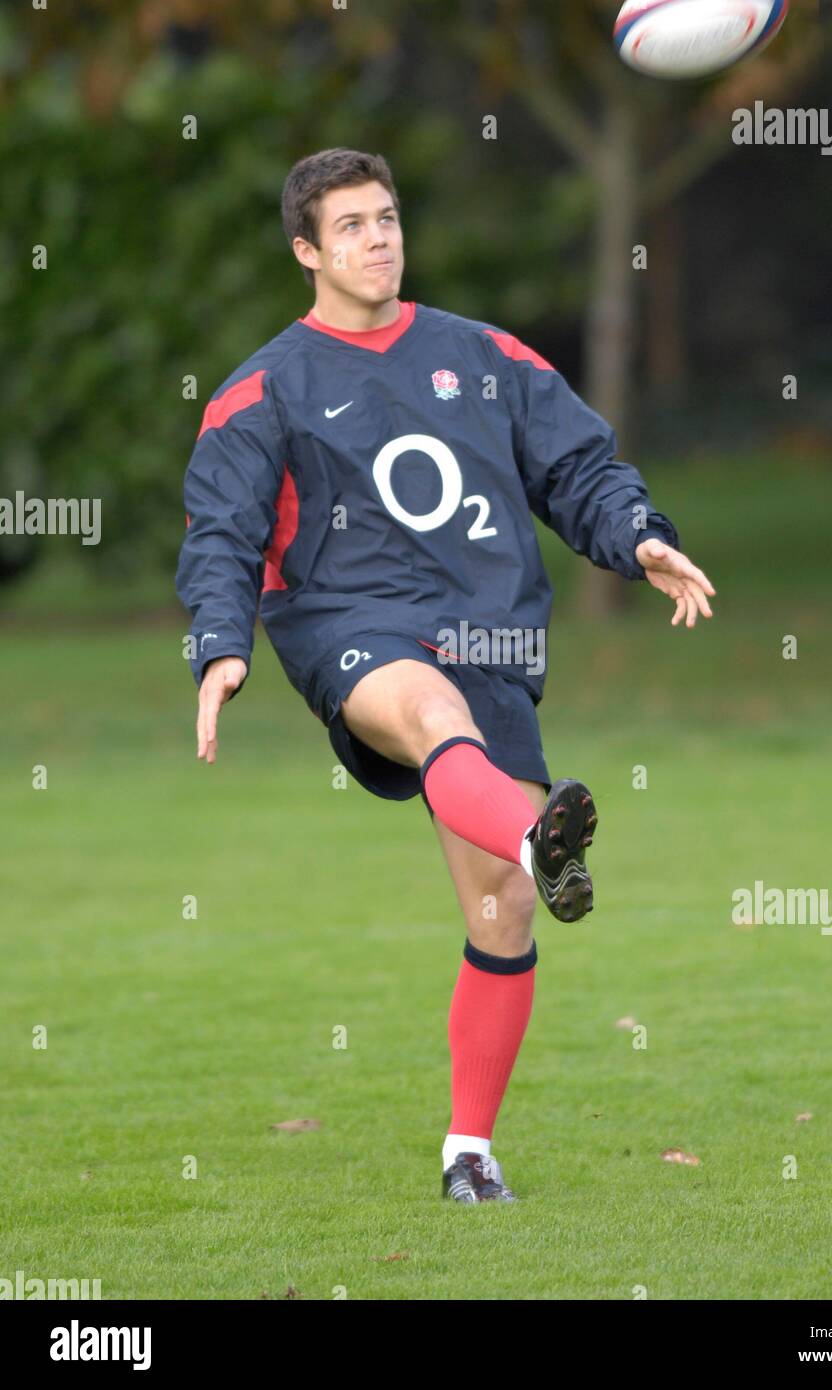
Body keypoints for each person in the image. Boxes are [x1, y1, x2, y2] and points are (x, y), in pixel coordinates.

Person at [176, 147, 715, 1203]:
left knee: (503, 912)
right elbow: (222, 533)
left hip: (488, 637)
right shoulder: (263, 388)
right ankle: (533, 828)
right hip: (347, 624)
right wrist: (219, 643)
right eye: (350, 226)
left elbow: (579, 470)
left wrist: (639, 538)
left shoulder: (483, 355)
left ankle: (467, 1152)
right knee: (429, 715)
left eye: (386, 218)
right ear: (306, 251)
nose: (377, 239)